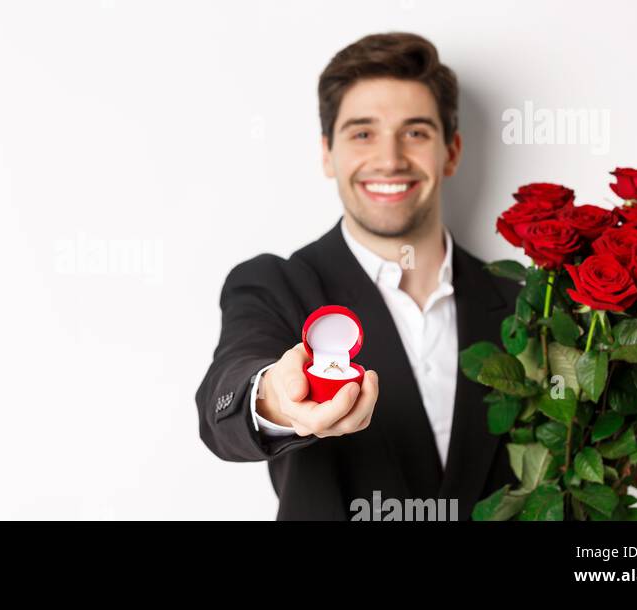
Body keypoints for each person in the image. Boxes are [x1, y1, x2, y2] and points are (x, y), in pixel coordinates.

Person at [195, 32, 520, 520]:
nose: (389, 159)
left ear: (451, 152)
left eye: (415, 132)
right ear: (327, 153)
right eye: (362, 133)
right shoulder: (274, 285)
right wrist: (278, 400)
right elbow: (222, 402)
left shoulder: (524, 301)